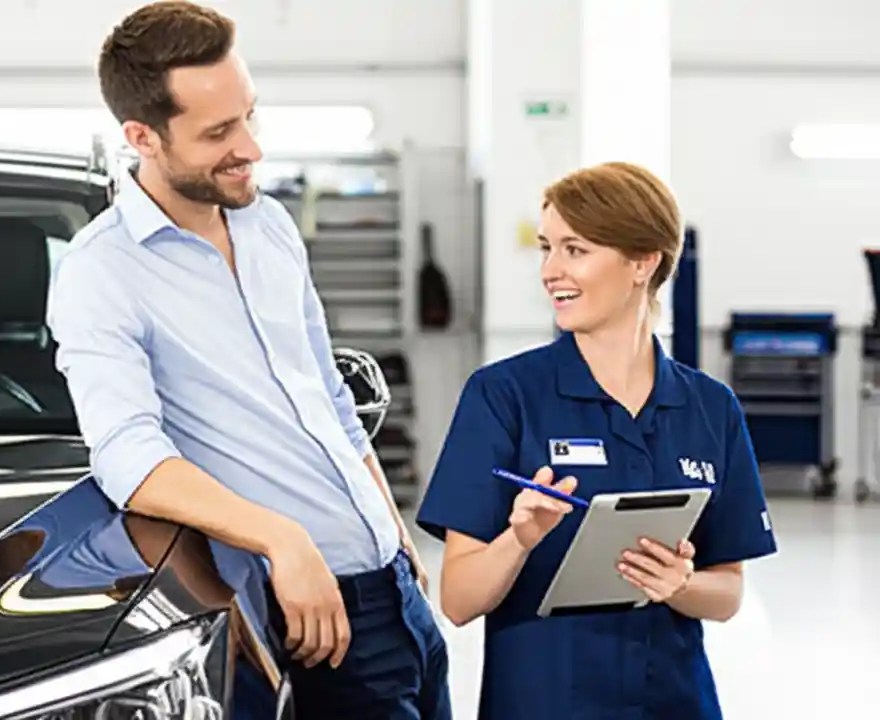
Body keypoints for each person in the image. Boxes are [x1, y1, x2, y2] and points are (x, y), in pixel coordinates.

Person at [45, 2, 451, 716]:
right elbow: (127, 454)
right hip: (305, 613)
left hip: (395, 588)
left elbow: (325, 393)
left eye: (250, 117)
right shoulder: (102, 272)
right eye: (218, 133)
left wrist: (389, 526)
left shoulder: (267, 225)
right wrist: (282, 539)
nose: (252, 149)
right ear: (143, 136)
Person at [416, 161, 778, 719]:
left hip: (674, 702)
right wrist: (520, 537)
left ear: (643, 262)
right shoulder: (504, 396)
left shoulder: (710, 408)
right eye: (546, 248)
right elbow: (459, 601)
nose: (550, 271)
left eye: (575, 250)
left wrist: (679, 584)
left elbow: (727, 593)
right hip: (542, 703)